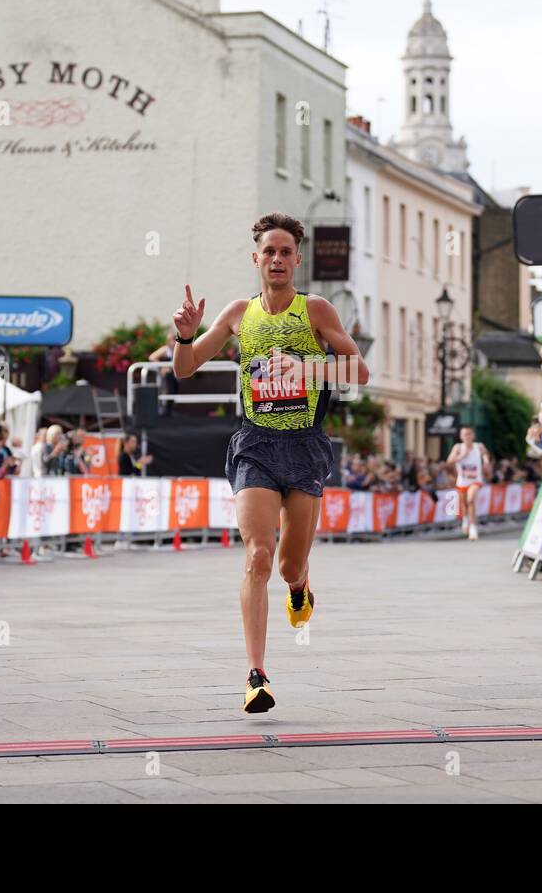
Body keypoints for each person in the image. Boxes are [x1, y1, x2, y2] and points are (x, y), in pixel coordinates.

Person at [170, 211, 368, 713]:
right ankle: (256, 675)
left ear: (297, 259)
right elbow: (186, 369)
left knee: (287, 564)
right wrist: (185, 336)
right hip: (255, 445)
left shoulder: (316, 310)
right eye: (269, 252)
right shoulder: (239, 313)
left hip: (304, 445)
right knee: (257, 555)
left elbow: (360, 372)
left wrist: (305, 366)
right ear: (255, 259)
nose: (277, 259)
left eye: (285, 252)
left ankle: (300, 586)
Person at [447, 425, 491, 541]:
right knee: (464, 504)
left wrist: (486, 462)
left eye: (469, 434)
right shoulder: (458, 447)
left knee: (470, 500)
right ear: (461, 436)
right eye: (464, 434)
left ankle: (473, 528)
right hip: (462, 480)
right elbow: (449, 461)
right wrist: (462, 456)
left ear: (473, 435)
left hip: (475, 480)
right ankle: (465, 518)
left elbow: (485, 454)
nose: (467, 436)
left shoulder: (479, 446)